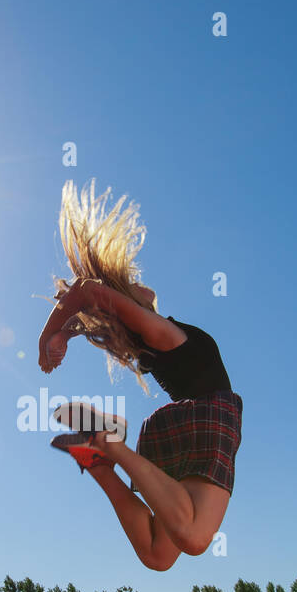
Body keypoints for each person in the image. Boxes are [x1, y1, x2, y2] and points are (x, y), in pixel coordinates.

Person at [37, 180, 243, 571]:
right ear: (132, 304)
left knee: (157, 554)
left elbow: (90, 298)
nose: (142, 283)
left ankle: (100, 463)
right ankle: (110, 444)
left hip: (178, 426)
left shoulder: (151, 338)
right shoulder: (156, 331)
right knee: (195, 538)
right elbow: (84, 290)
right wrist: (51, 334)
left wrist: (67, 331)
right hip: (209, 416)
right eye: (130, 287)